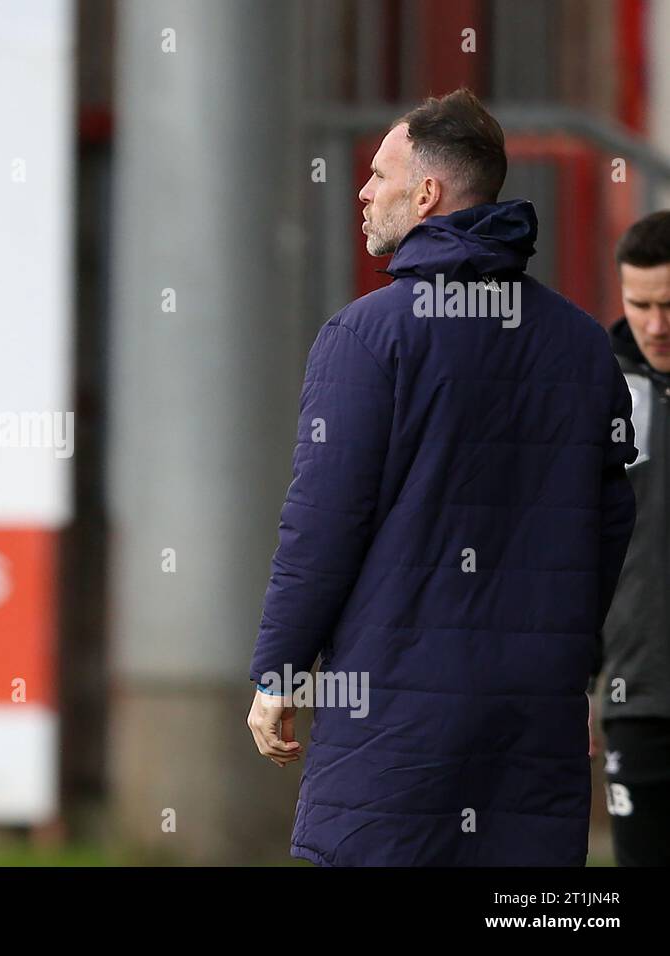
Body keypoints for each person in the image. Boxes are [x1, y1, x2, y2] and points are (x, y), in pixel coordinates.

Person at [245, 88, 637, 866]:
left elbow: (322, 522)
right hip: (533, 714)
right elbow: (609, 525)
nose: (363, 190)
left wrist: (279, 671)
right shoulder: (583, 345)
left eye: (380, 174)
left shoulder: (366, 337)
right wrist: (568, 658)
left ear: (426, 194)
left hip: (395, 719)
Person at [599, 210, 670, 866]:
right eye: (639, 304)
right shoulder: (602, 392)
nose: (656, 325)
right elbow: (568, 543)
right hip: (638, 696)